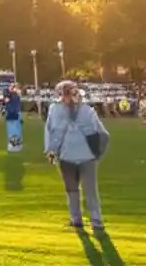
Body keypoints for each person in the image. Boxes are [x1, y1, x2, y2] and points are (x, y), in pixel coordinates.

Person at [44, 80, 111, 230]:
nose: (69, 98)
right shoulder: (55, 111)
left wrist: (97, 152)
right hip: (66, 158)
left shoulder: (87, 111)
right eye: (66, 94)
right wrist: (50, 150)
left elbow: (103, 134)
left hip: (86, 158)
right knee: (72, 190)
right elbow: (50, 131)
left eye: (72, 94)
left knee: (89, 191)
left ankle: (96, 221)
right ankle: (77, 219)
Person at [4, 84, 23, 152]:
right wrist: (11, 92)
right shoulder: (7, 92)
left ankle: (17, 145)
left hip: (16, 113)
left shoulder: (17, 94)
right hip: (11, 113)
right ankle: (13, 146)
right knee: (12, 130)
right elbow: (6, 100)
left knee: (16, 130)